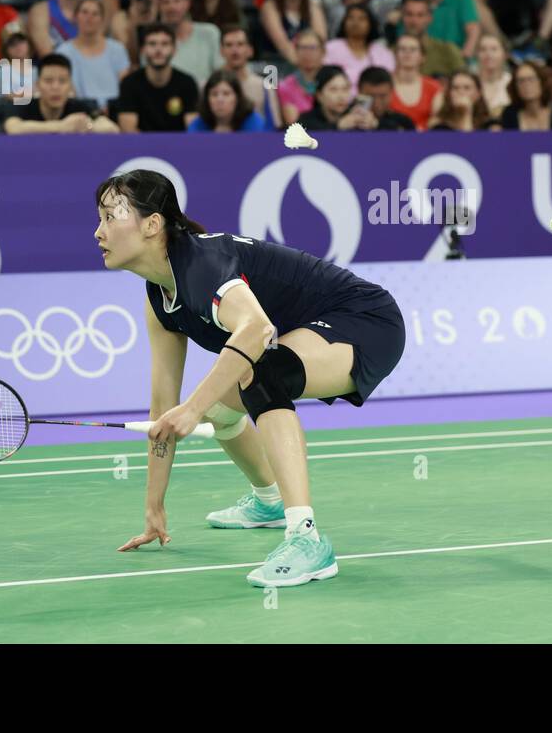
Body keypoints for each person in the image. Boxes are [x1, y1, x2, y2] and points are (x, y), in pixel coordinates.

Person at [99, 165, 405, 588]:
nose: (99, 232)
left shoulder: (201, 264)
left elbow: (257, 330)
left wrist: (194, 409)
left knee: (259, 372)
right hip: (311, 330)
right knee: (226, 402)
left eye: (110, 217)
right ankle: (269, 499)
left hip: (365, 321)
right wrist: (154, 508)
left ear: (152, 224)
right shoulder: (158, 296)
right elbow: (162, 412)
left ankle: (307, 540)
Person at [4, 53, 121, 134]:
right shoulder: (23, 105)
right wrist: (61, 126)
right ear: (37, 85)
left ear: (70, 85)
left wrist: (88, 126)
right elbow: (13, 128)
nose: (55, 87)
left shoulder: (80, 108)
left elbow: (112, 129)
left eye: (62, 81)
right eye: (48, 81)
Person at [115, 23, 200, 133]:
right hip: (141, 149)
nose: (158, 49)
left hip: (179, 147)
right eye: (152, 44)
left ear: (174, 50)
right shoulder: (129, 84)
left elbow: (193, 130)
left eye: (165, 44)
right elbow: (128, 131)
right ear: (143, 50)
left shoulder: (188, 83)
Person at [56, 0, 130, 109]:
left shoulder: (117, 49)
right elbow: (66, 89)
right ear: (75, 17)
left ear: (102, 19)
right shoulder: (63, 52)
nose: (89, 18)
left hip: (115, 110)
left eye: (95, 14)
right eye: (84, 12)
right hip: (78, 111)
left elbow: (125, 86)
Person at [324, 4, 394, 97]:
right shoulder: (330, 48)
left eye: (362, 19)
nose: (355, 22)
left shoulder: (383, 53)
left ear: (370, 23)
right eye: (351, 18)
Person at [186, 70, 268, 133]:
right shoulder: (199, 124)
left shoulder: (253, 121)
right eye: (214, 94)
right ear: (207, 99)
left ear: (237, 98)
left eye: (226, 94)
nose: (220, 100)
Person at [501, 61, 552, 130]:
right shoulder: (509, 114)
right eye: (521, 81)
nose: (526, 85)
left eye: (531, 79)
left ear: (542, 82)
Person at [277, 30, 325, 127]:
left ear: (323, 52)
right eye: (303, 48)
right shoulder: (284, 87)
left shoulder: (334, 82)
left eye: (313, 48)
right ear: (295, 51)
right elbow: (294, 124)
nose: (308, 53)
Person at [357, 66, 415, 131]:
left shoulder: (404, 122)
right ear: (359, 92)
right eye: (371, 96)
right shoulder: (347, 120)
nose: (376, 102)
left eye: (382, 96)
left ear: (391, 93)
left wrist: (377, 124)